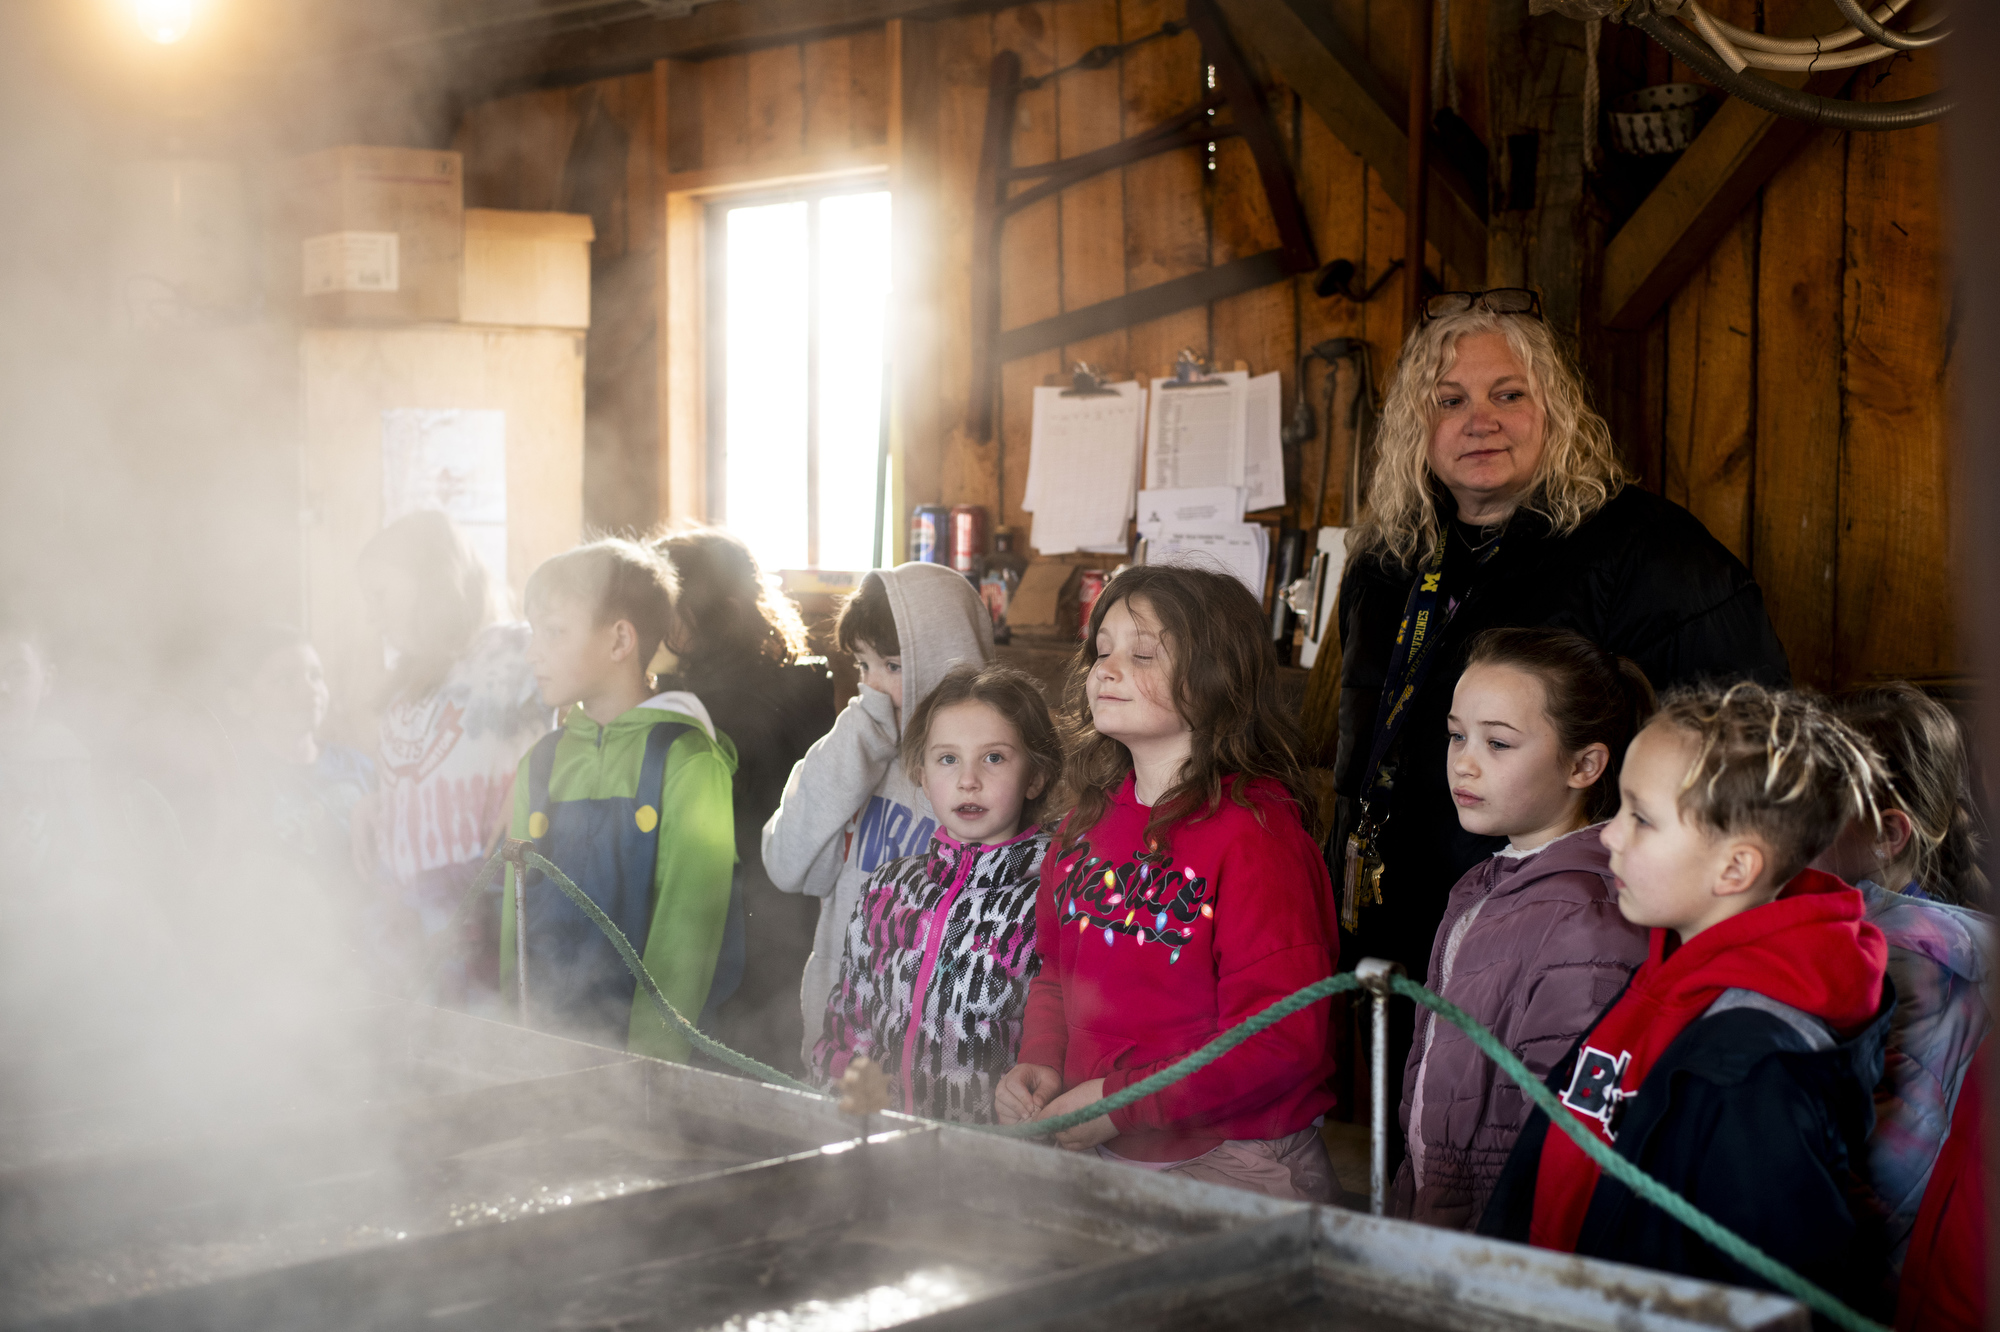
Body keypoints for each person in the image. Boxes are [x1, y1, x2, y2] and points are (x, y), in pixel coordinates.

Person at [1328, 291, 1790, 1126]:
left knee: (1525, 1169)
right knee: (1411, 1164)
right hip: (1399, 936)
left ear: (1557, 409)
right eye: (1451, 399)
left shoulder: (1651, 554)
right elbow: (1360, 744)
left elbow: (1750, 757)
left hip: (1571, 945)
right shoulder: (1388, 560)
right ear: (1415, 423)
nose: (1482, 421)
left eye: (1510, 394)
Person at [1480, 683, 1893, 1317]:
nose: (1609, 836)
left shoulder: (1754, 1069)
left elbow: (1768, 1297)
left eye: (1641, 818)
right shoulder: (1666, 973)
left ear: (1734, 870)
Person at [995, 565, 1341, 1203]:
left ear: (1216, 679)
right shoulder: (1082, 827)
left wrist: (1127, 1103)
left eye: (1143, 653)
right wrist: (1040, 1060)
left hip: (1236, 1161)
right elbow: (1054, 974)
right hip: (1106, 1146)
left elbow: (1280, 1039)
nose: (1107, 668)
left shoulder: (1255, 836)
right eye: (1102, 651)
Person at [1394, 628, 1653, 1229]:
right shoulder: (1485, 883)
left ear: (1585, 764)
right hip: (1440, 1209)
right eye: (1457, 735)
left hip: (1505, 1226)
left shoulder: (1589, 916)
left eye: (1499, 743)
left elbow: (1561, 1118)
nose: (1464, 760)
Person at [498, 539, 739, 1060]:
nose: (532, 651)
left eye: (554, 632)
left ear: (619, 640)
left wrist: (647, 1074)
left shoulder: (688, 762)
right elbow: (512, 920)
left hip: (645, 1071)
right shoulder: (539, 764)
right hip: (543, 1055)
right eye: (532, 631)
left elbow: (687, 937)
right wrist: (511, 1040)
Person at [762, 562, 995, 1067]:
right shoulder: (852, 754)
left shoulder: (986, 777)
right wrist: (857, 741)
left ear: (947, 658)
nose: (871, 688)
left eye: (891, 666)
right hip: (840, 1041)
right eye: (863, 666)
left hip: (941, 1054)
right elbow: (788, 866)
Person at [809, 664, 1059, 1121]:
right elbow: (851, 1022)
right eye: (948, 759)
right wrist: (836, 1114)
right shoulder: (888, 890)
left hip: (993, 1158)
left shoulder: (1047, 899)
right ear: (921, 774)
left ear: (1037, 776)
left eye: (994, 758)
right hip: (885, 1145)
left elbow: (1060, 1041)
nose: (968, 780)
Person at [1809, 682, 1992, 1273]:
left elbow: (1891, 1160)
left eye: (1815, 810)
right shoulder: (1953, 933)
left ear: (1889, 835)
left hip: (1880, 1262)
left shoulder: (1887, 960)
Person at [653, 528, 836, 1074]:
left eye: (668, 606)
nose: (651, 621)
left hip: (741, 916)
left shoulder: (710, 708)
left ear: (717, 613)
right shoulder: (794, 684)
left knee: (731, 1062)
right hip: (785, 918)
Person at [357, 511, 552, 1006]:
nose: (371, 616)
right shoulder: (407, 677)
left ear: (431, 580)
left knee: (479, 1049)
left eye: (380, 595)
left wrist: (535, 775)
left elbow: (594, 714)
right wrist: (377, 799)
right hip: (402, 913)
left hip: (479, 902)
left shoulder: (513, 648)